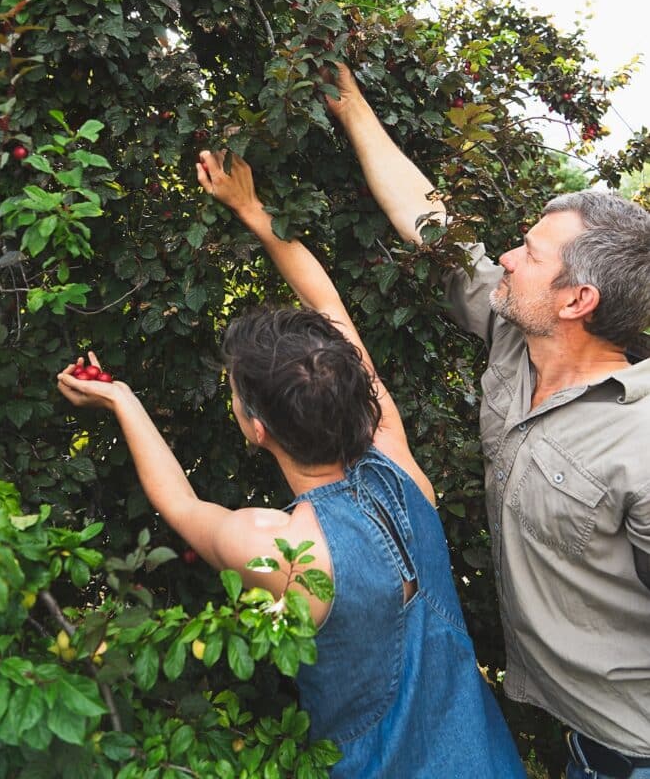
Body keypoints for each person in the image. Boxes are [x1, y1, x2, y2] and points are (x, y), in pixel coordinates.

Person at [58, 150, 526, 779]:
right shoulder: (399, 465)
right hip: (486, 761)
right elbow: (328, 303)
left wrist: (120, 398)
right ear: (357, 394)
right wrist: (253, 210)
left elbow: (181, 506)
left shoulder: (277, 549)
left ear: (257, 430)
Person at [325, 65, 650, 779]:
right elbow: (434, 230)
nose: (504, 255)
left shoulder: (640, 442)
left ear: (576, 301)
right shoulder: (518, 334)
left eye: (529, 252)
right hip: (579, 738)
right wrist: (350, 105)